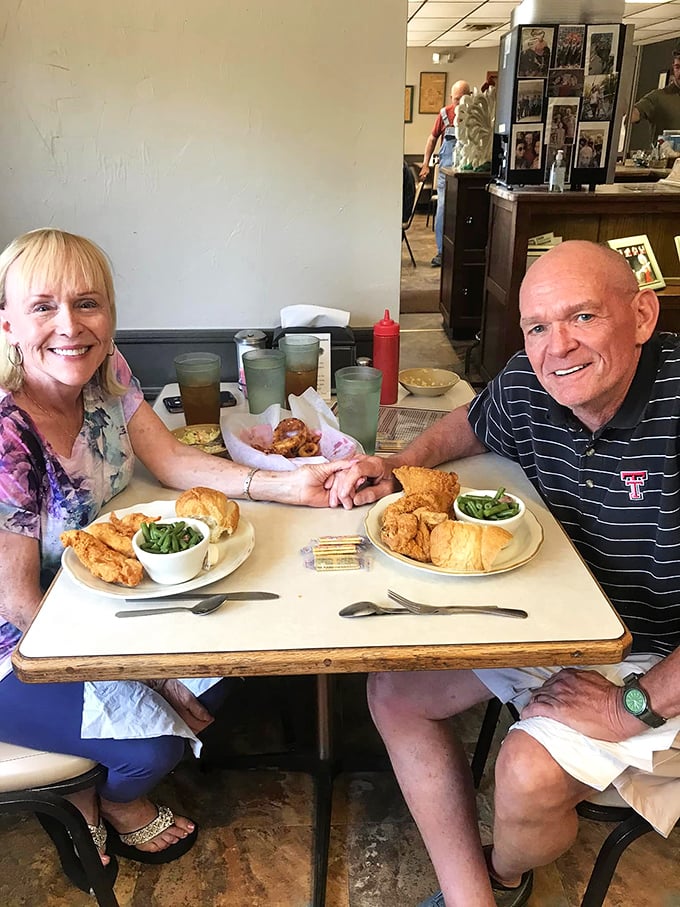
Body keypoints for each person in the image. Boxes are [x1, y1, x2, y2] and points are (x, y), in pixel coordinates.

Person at [329, 240, 680, 907]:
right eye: (538, 327)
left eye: (583, 317)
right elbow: (469, 422)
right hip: (567, 621)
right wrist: (400, 464)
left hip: (662, 668)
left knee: (525, 773)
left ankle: (505, 873)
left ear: (640, 315)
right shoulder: (531, 382)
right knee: (394, 693)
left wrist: (628, 704)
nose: (559, 347)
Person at [0, 228, 350, 890]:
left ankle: (92, 762)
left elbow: (169, 460)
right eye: (43, 306)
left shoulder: (108, 368)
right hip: (22, 642)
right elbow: (18, 600)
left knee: (230, 665)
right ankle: (98, 796)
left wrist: (285, 481)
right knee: (158, 743)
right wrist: (153, 678)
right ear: (8, 321)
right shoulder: (6, 431)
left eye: (88, 303)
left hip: (105, 604)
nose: (70, 326)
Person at [418, 79, 471, 267]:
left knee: (466, 212)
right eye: (457, 99)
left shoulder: (475, 115)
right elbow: (432, 139)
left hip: (467, 174)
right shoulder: (444, 114)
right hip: (445, 173)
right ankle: (442, 252)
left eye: (464, 98)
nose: (460, 103)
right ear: (451, 98)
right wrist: (426, 164)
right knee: (442, 211)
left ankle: (463, 250)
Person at [631, 48, 680, 141]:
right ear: (673, 67)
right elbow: (633, 114)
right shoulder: (658, 97)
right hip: (665, 155)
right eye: (678, 67)